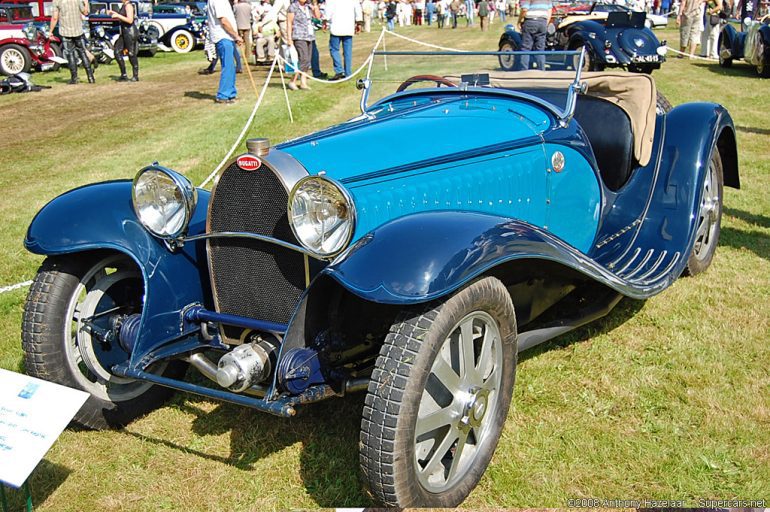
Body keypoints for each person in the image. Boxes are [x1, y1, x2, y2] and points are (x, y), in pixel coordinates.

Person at [49, 0, 94, 84]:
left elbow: (55, 17)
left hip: (65, 31)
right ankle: (90, 76)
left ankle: (74, 77)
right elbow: (85, 12)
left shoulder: (57, 1)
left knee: (70, 54)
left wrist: (50, 31)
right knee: (82, 52)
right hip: (78, 30)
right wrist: (86, 3)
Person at [207, 0, 243, 103]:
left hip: (227, 37)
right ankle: (223, 95)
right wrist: (236, 36)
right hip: (223, 37)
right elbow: (224, 21)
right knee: (227, 66)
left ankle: (231, 93)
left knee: (231, 67)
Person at [327, 0, 362, 79]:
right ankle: (348, 73)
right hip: (348, 27)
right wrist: (359, 22)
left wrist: (325, 19)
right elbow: (358, 9)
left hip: (336, 27)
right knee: (347, 52)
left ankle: (339, 70)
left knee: (334, 49)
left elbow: (328, 9)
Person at [286, 0, 317, 89]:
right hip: (299, 36)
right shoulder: (293, 7)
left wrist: (315, 5)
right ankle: (293, 80)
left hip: (309, 36)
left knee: (307, 60)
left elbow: (317, 17)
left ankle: (303, 82)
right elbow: (289, 23)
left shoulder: (308, 6)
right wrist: (289, 38)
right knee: (303, 59)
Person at [108, 0, 139, 81]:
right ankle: (123, 74)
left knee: (131, 53)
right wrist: (113, 13)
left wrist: (118, 15)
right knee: (117, 51)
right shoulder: (123, 5)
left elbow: (130, 20)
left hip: (130, 32)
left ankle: (135, 75)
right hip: (124, 32)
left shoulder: (129, 6)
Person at [516, 0, 552, 70]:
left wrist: (519, 21)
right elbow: (550, 11)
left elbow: (524, 10)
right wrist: (546, 23)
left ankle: (524, 70)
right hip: (543, 21)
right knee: (540, 48)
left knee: (526, 48)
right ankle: (541, 70)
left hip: (530, 21)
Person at [234, 0, 253, 65]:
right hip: (247, 25)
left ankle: (238, 54)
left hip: (239, 25)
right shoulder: (249, 6)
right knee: (247, 41)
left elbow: (234, 14)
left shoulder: (236, 6)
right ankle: (247, 55)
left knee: (238, 41)